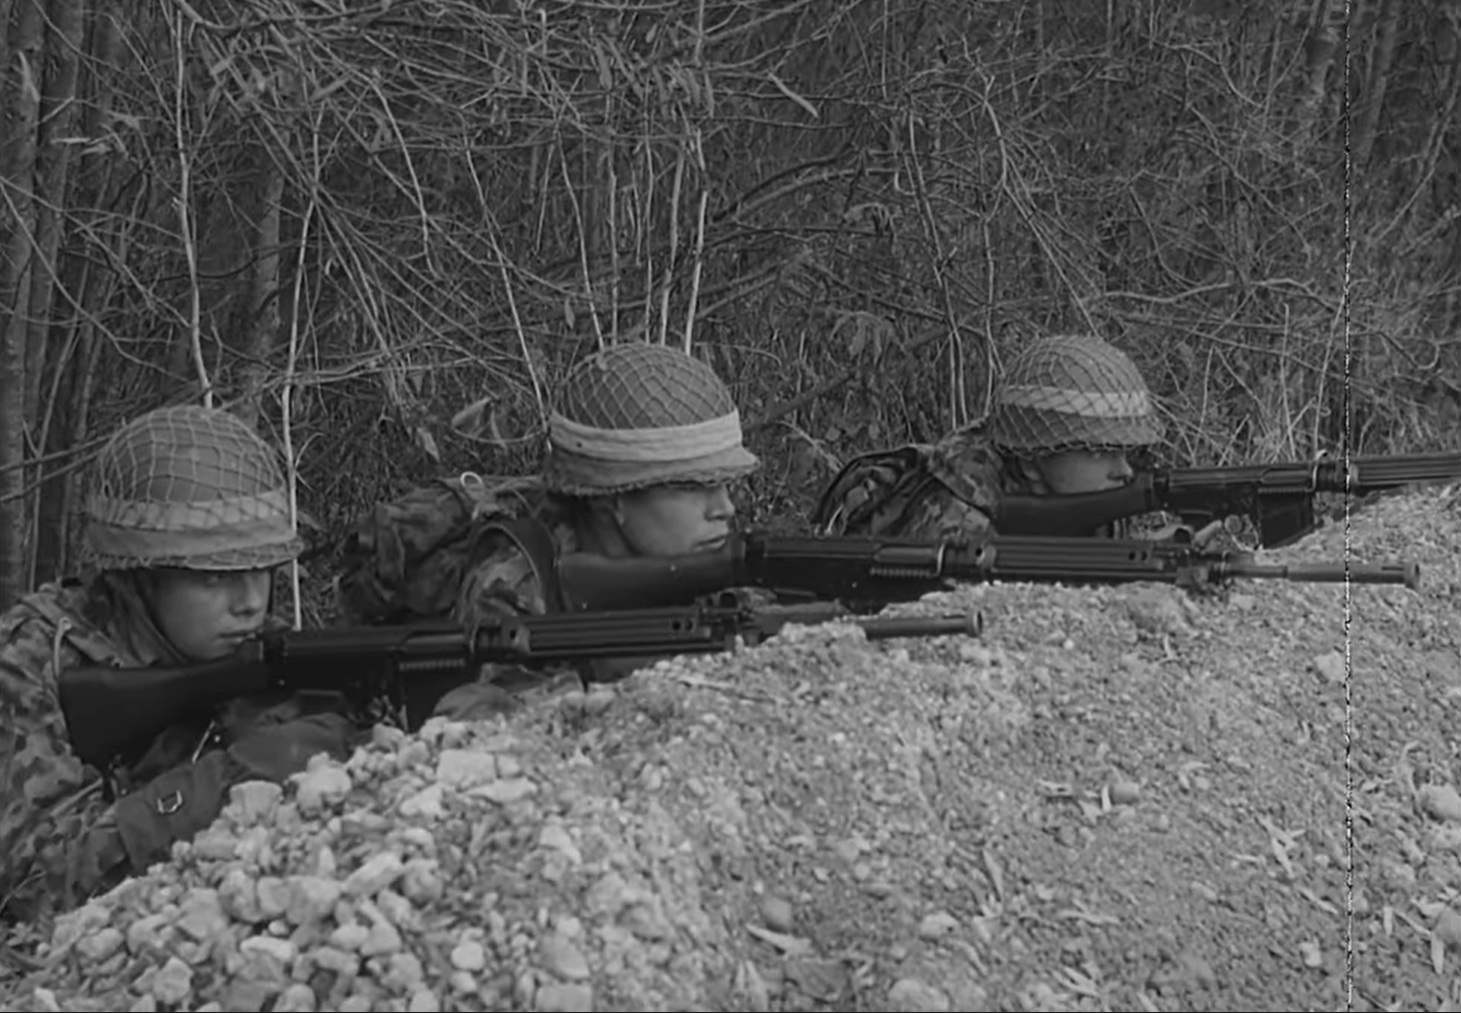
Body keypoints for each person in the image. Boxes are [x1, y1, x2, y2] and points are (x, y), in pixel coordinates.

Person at [0, 405, 361, 920]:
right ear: (137, 576)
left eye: (262, 568)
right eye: (213, 576)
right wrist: (225, 781)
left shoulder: (265, 653)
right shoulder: (32, 662)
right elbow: (33, 884)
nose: (249, 601)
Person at [814, 333, 1163, 540]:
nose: (1124, 470)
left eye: (1126, 451)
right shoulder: (955, 516)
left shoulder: (1089, 494)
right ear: (1037, 450)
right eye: (1099, 451)